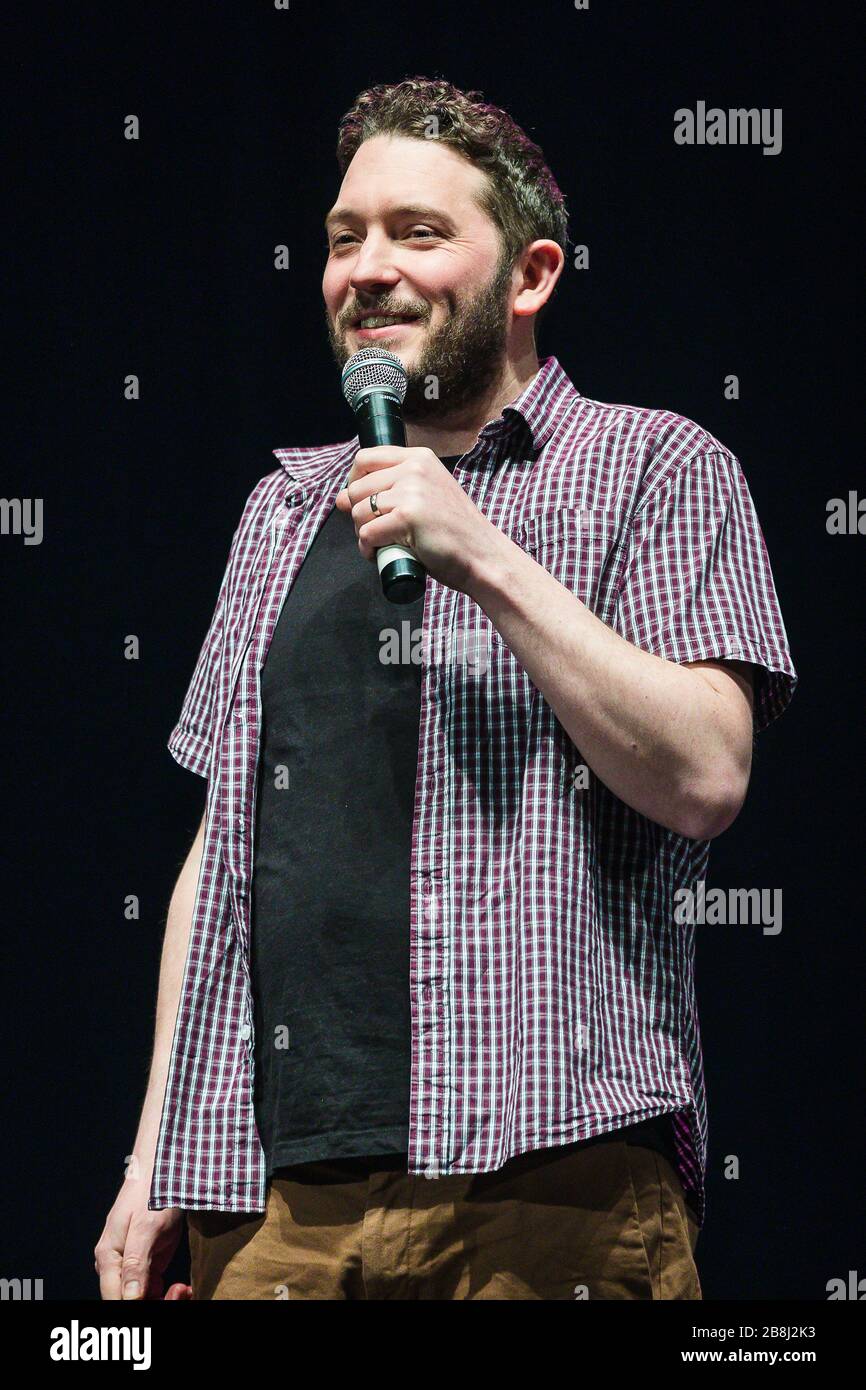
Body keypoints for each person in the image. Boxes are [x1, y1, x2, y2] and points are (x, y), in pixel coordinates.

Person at [95, 77, 797, 1301]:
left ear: (527, 275)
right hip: (273, 1210)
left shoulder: (657, 466)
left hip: (549, 1188)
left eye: (417, 234)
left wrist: (480, 552)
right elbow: (221, 853)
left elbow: (704, 777)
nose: (367, 268)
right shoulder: (278, 509)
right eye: (342, 237)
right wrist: (155, 1151)